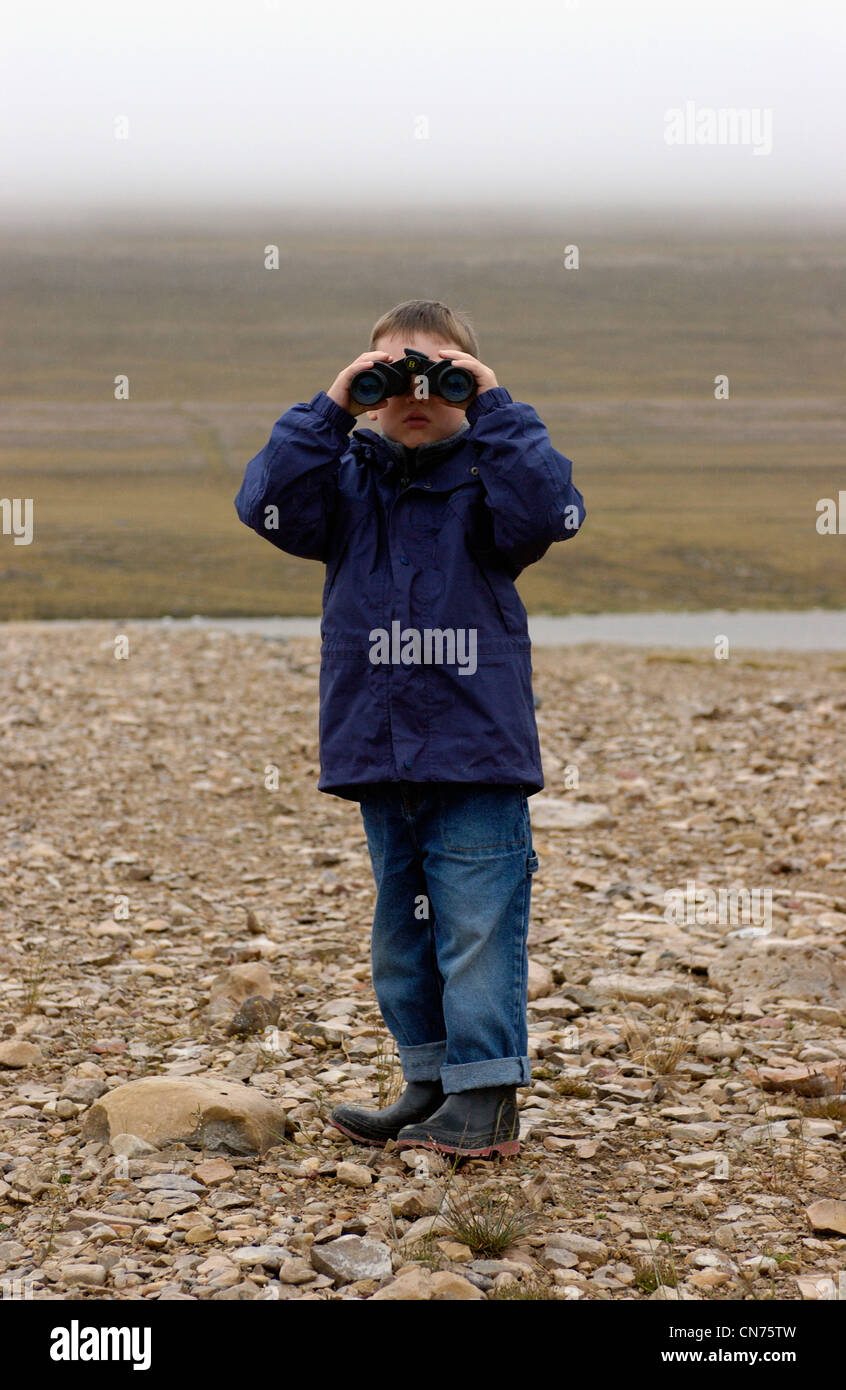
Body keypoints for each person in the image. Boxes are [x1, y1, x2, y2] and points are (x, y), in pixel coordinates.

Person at [234, 299, 585, 1158]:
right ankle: (429, 1083)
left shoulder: (491, 479)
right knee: (404, 931)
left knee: (475, 927)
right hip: (379, 746)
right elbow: (264, 505)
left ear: (470, 386)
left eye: (441, 374)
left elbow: (547, 512)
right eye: (392, 375)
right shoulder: (344, 483)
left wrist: (499, 409)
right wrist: (329, 408)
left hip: (475, 748)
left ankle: (488, 1096)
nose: (414, 391)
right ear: (366, 385)